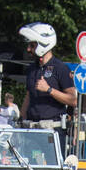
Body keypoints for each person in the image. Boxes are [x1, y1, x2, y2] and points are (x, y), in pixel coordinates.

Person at [18, 21, 76, 159]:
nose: (28, 49)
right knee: (29, 169)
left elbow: (72, 100)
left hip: (52, 130)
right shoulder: (32, 69)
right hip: (32, 130)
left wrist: (49, 89)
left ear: (43, 44)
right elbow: (28, 96)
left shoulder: (61, 68)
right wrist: (20, 118)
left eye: (32, 45)